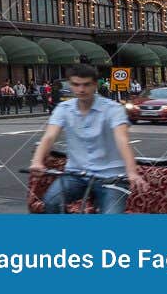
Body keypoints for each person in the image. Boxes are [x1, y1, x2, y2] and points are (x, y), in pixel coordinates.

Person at [30, 64, 146, 215]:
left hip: (111, 176)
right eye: (76, 85)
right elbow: (49, 136)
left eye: (86, 85)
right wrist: (37, 161)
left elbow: (122, 140)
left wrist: (131, 172)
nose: (81, 90)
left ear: (95, 85)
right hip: (76, 174)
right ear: (71, 85)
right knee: (52, 202)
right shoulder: (64, 109)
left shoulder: (113, 109)